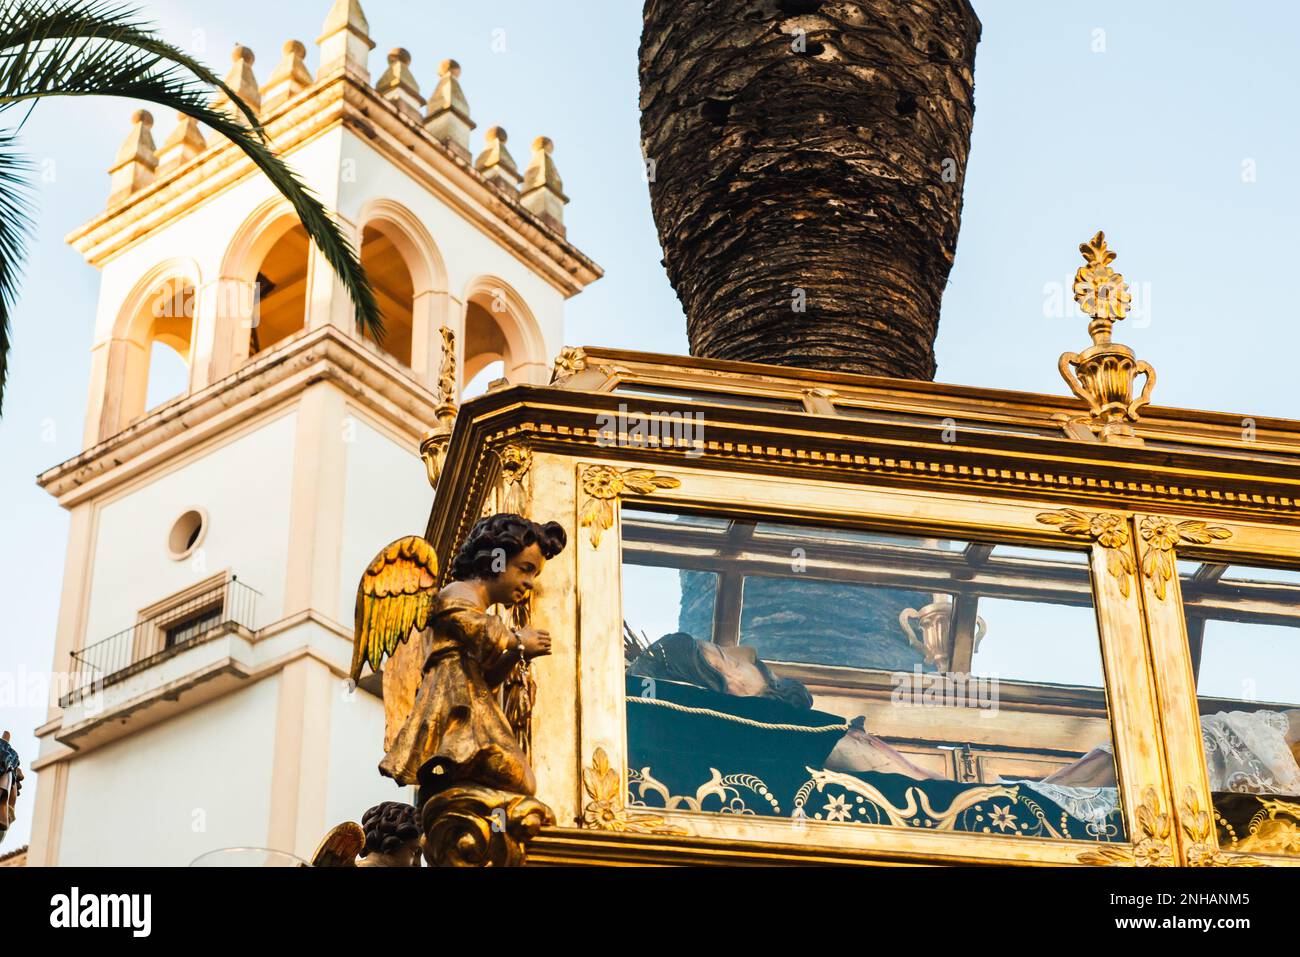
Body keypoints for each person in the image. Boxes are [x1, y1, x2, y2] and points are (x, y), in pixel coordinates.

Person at [379, 514, 566, 802]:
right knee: (515, 780)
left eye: (534, 575)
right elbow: (476, 629)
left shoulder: (478, 607)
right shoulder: (455, 594)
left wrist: (517, 653)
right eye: (525, 569)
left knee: (521, 781)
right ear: (497, 560)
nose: (528, 583)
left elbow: (487, 678)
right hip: (454, 705)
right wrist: (517, 639)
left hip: (471, 701)